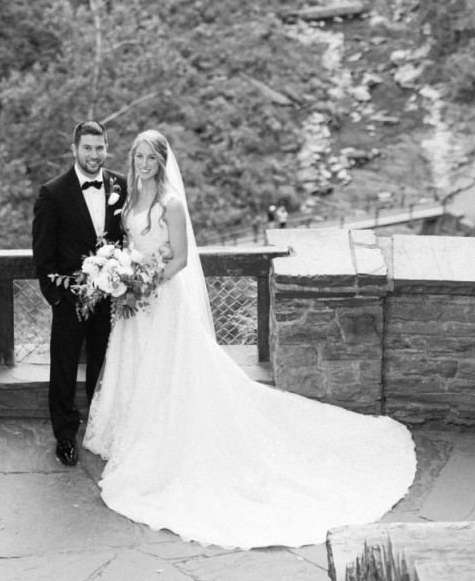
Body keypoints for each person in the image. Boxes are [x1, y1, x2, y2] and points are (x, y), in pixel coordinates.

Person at [84, 129, 417, 547]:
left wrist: (144, 286)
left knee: (170, 371)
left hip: (162, 301)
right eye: (138, 157)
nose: (144, 164)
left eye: (151, 158)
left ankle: (167, 441)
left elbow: (182, 259)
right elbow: (129, 244)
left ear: (163, 161)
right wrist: (122, 277)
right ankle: (132, 432)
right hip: (134, 304)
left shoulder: (171, 204)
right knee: (138, 366)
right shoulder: (130, 198)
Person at [31, 119, 126, 467]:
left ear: (106, 148)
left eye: (99, 147)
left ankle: (101, 431)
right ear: (74, 149)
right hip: (69, 300)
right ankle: (65, 436)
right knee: (64, 367)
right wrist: (57, 297)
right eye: (87, 147)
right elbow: (43, 256)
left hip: (110, 300)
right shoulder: (52, 193)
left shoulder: (120, 185)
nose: (94, 154)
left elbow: (123, 240)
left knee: (104, 366)